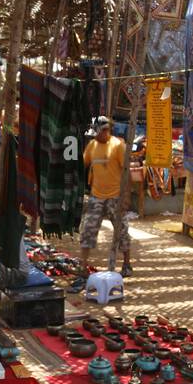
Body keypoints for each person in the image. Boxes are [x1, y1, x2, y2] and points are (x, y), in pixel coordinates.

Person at [75, 116, 133, 287]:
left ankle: (127, 263)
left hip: (115, 196)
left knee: (121, 230)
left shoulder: (117, 145)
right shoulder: (92, 146)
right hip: (96, 195)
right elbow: (83, 163)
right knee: (88, 230)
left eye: (107, 129)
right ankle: (83, 265)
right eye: (101, 130)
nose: (104, 133)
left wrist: (126, 196)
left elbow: (126, 172)